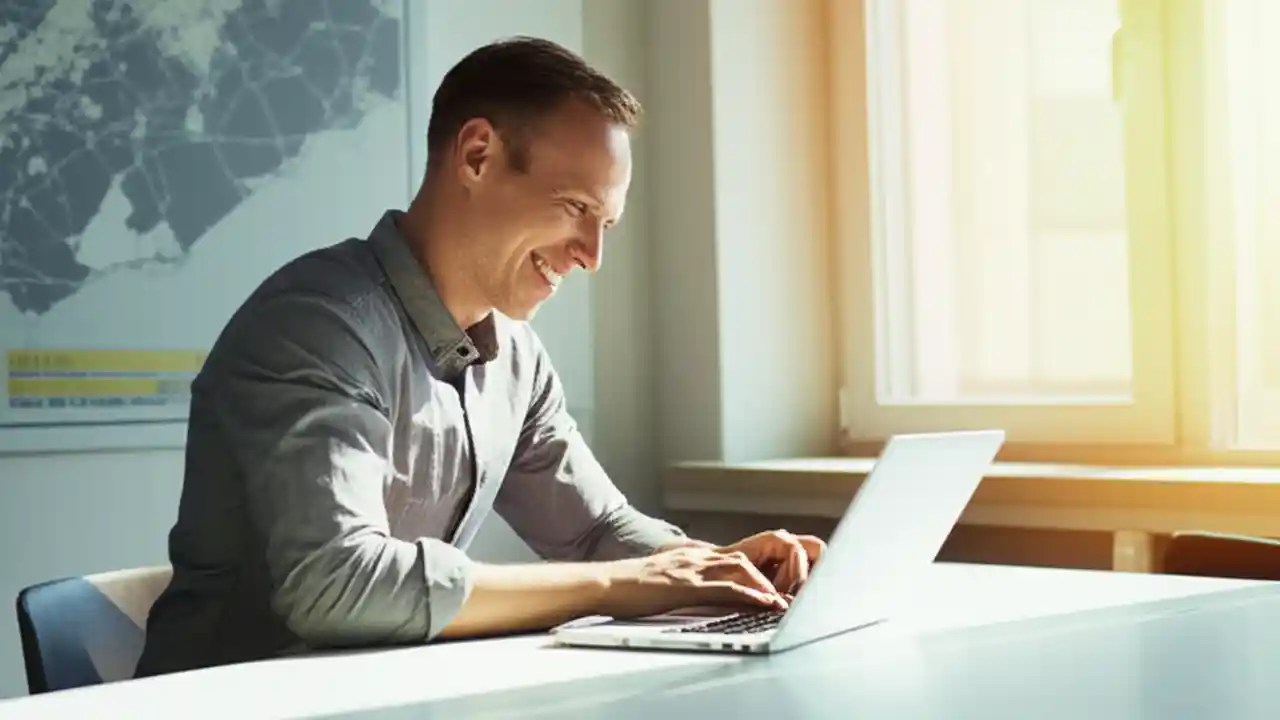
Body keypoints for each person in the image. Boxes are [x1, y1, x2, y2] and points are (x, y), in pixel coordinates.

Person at [136, 36, 824, 677]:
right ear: (476, 156)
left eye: (605, 224)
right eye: (575, 207)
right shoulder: (316, 326)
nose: (591, 255)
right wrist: (630, 584)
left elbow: (591, 531)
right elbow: (338, 585)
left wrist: (715, 566)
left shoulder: (515, 359)